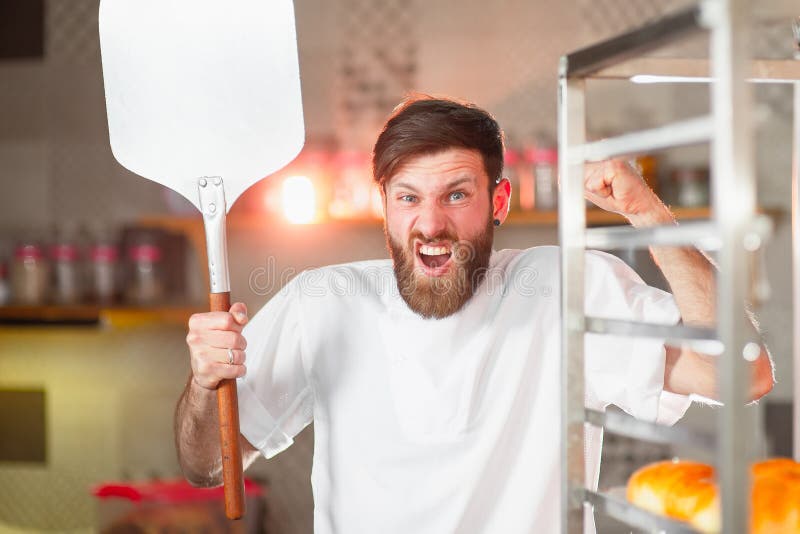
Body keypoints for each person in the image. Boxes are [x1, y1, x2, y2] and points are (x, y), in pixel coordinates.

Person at [175, 96, 775, 533]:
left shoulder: (567, 286)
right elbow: (208, 466)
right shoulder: (321, 302)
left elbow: (742, 375)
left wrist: (647, 213)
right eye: (409, 197)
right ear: (383, 206)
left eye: (456, 195)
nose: (431, 223)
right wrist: (207, 384)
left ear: (500, 201)